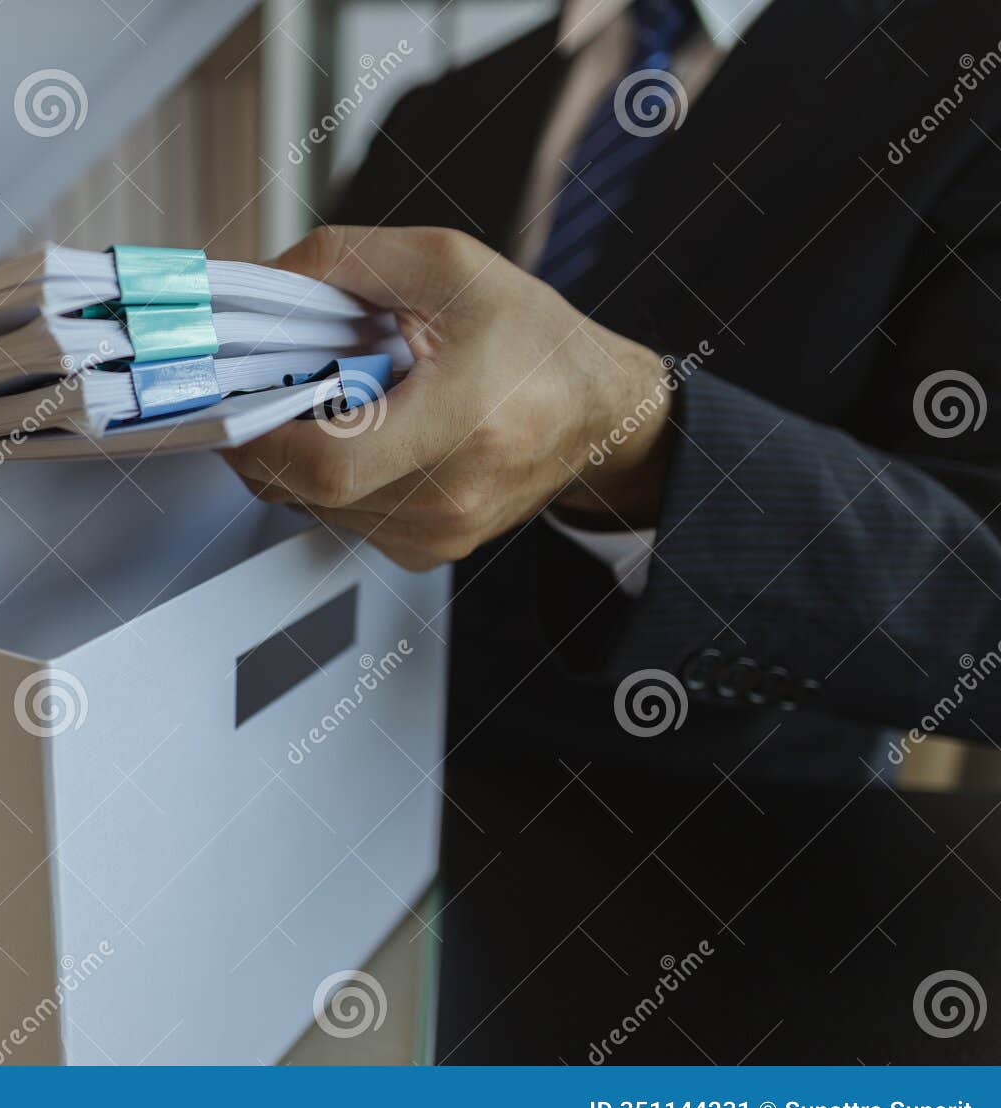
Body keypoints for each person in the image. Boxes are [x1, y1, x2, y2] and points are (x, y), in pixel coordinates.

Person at [218, 0, 1001, 782]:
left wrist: (641, 449)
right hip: (357, 787)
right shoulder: (438, 109)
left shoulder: (968, 66)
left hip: (739, 840)